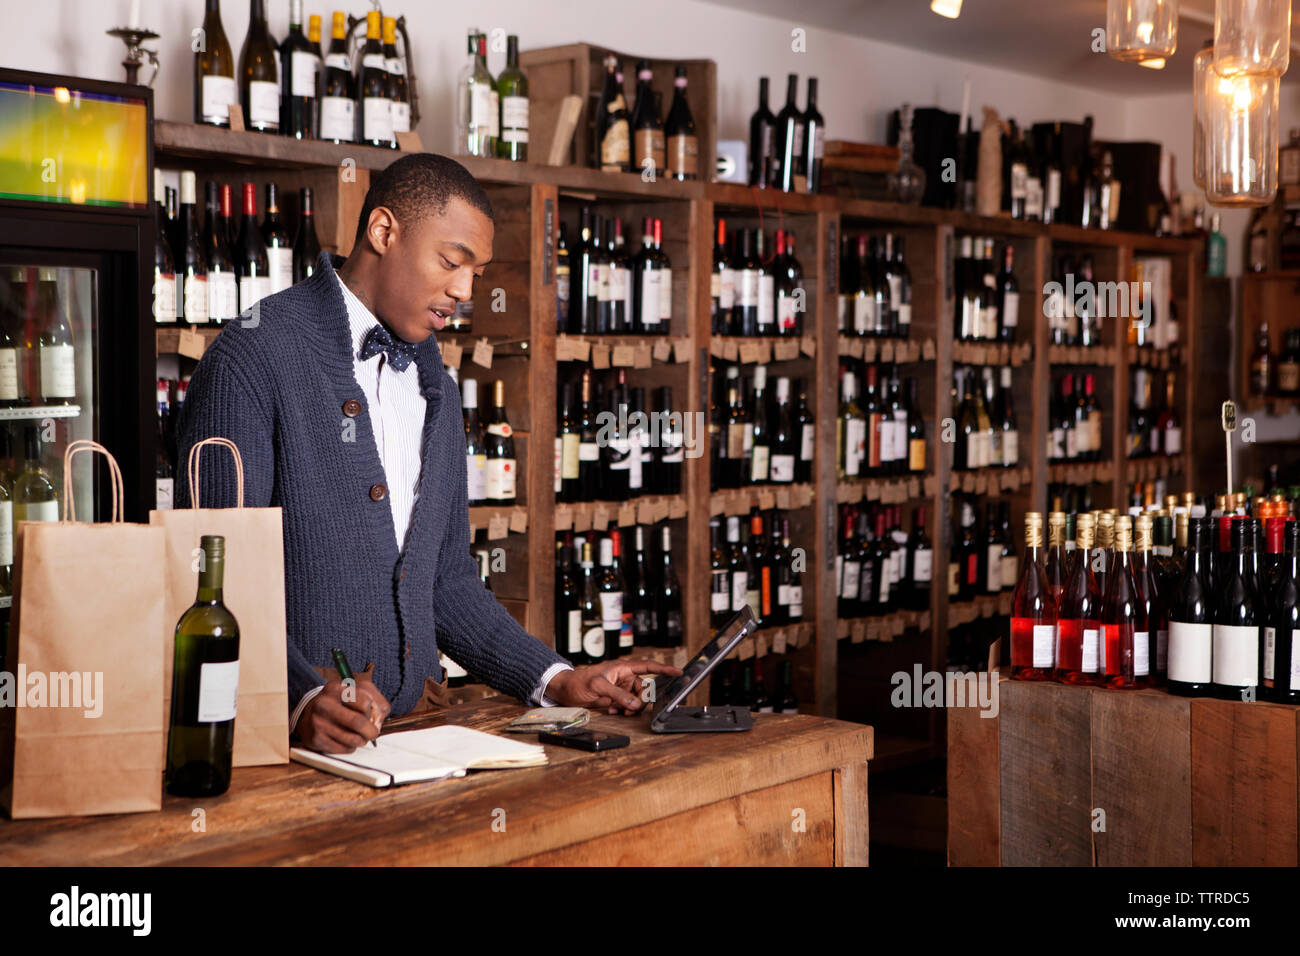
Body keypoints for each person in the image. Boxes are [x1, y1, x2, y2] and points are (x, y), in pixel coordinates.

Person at [176, 153, 679, 754]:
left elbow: (446, 584)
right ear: (384, 231)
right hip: (279, 750)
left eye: (477, 271)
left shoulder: (435, 383)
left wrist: (559, 679)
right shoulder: (252, 356)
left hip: (410, 739)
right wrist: (300, 698)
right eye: (451, 261)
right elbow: (207, 574)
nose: (465, 291)